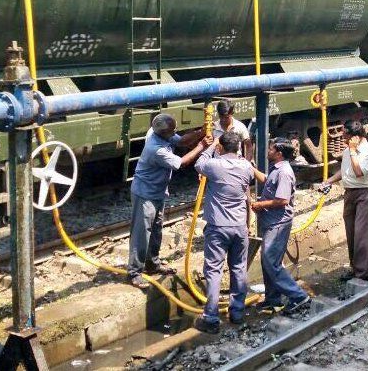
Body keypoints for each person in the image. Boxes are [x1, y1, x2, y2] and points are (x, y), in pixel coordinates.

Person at [128, 114, 210, 288]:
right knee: (142, 233)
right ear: (164, 133)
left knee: (156, 229)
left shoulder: (157, 131)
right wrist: (201, 146)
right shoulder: (155, 148)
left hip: (157, 191)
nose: (175, 133)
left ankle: (152, 263)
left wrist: (200, 133)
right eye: (173, 131)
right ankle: (134, 273)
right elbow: (181, 163)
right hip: (145, 194)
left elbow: (181, 142)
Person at [192, 132, 254, 334]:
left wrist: (211, 146)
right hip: (239, 226)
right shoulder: (246, 166)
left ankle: (210, 317)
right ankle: (237, 312)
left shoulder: (214, 165)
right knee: (238, 268)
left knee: (214, 270)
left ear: (221, 148)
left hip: (218, 227)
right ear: (238, 148)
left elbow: (199, 162)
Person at [251, 138, 312, 315]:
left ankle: (299, 297)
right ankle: (272, 299)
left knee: (271, 261)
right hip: (270, 221)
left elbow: (282, 200)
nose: (267, 151)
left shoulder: (284, 172)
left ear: (278, 153)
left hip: (277, 223)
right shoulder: (276, 169)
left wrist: (260, 205)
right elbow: (267, 181)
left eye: (270, 149)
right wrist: (251, 168)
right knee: (267, 261)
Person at [321, 120, 368, 280]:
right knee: (351, 231)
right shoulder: (348, 150)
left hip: (365, 193)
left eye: (346, 136)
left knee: (362, 233)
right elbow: (345, 170)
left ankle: (363, 272)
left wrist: (353, 151)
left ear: (356, 137)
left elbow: (359, 172)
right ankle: (355, 267)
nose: (344, 139)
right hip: (350, 193)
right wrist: (329, 180)